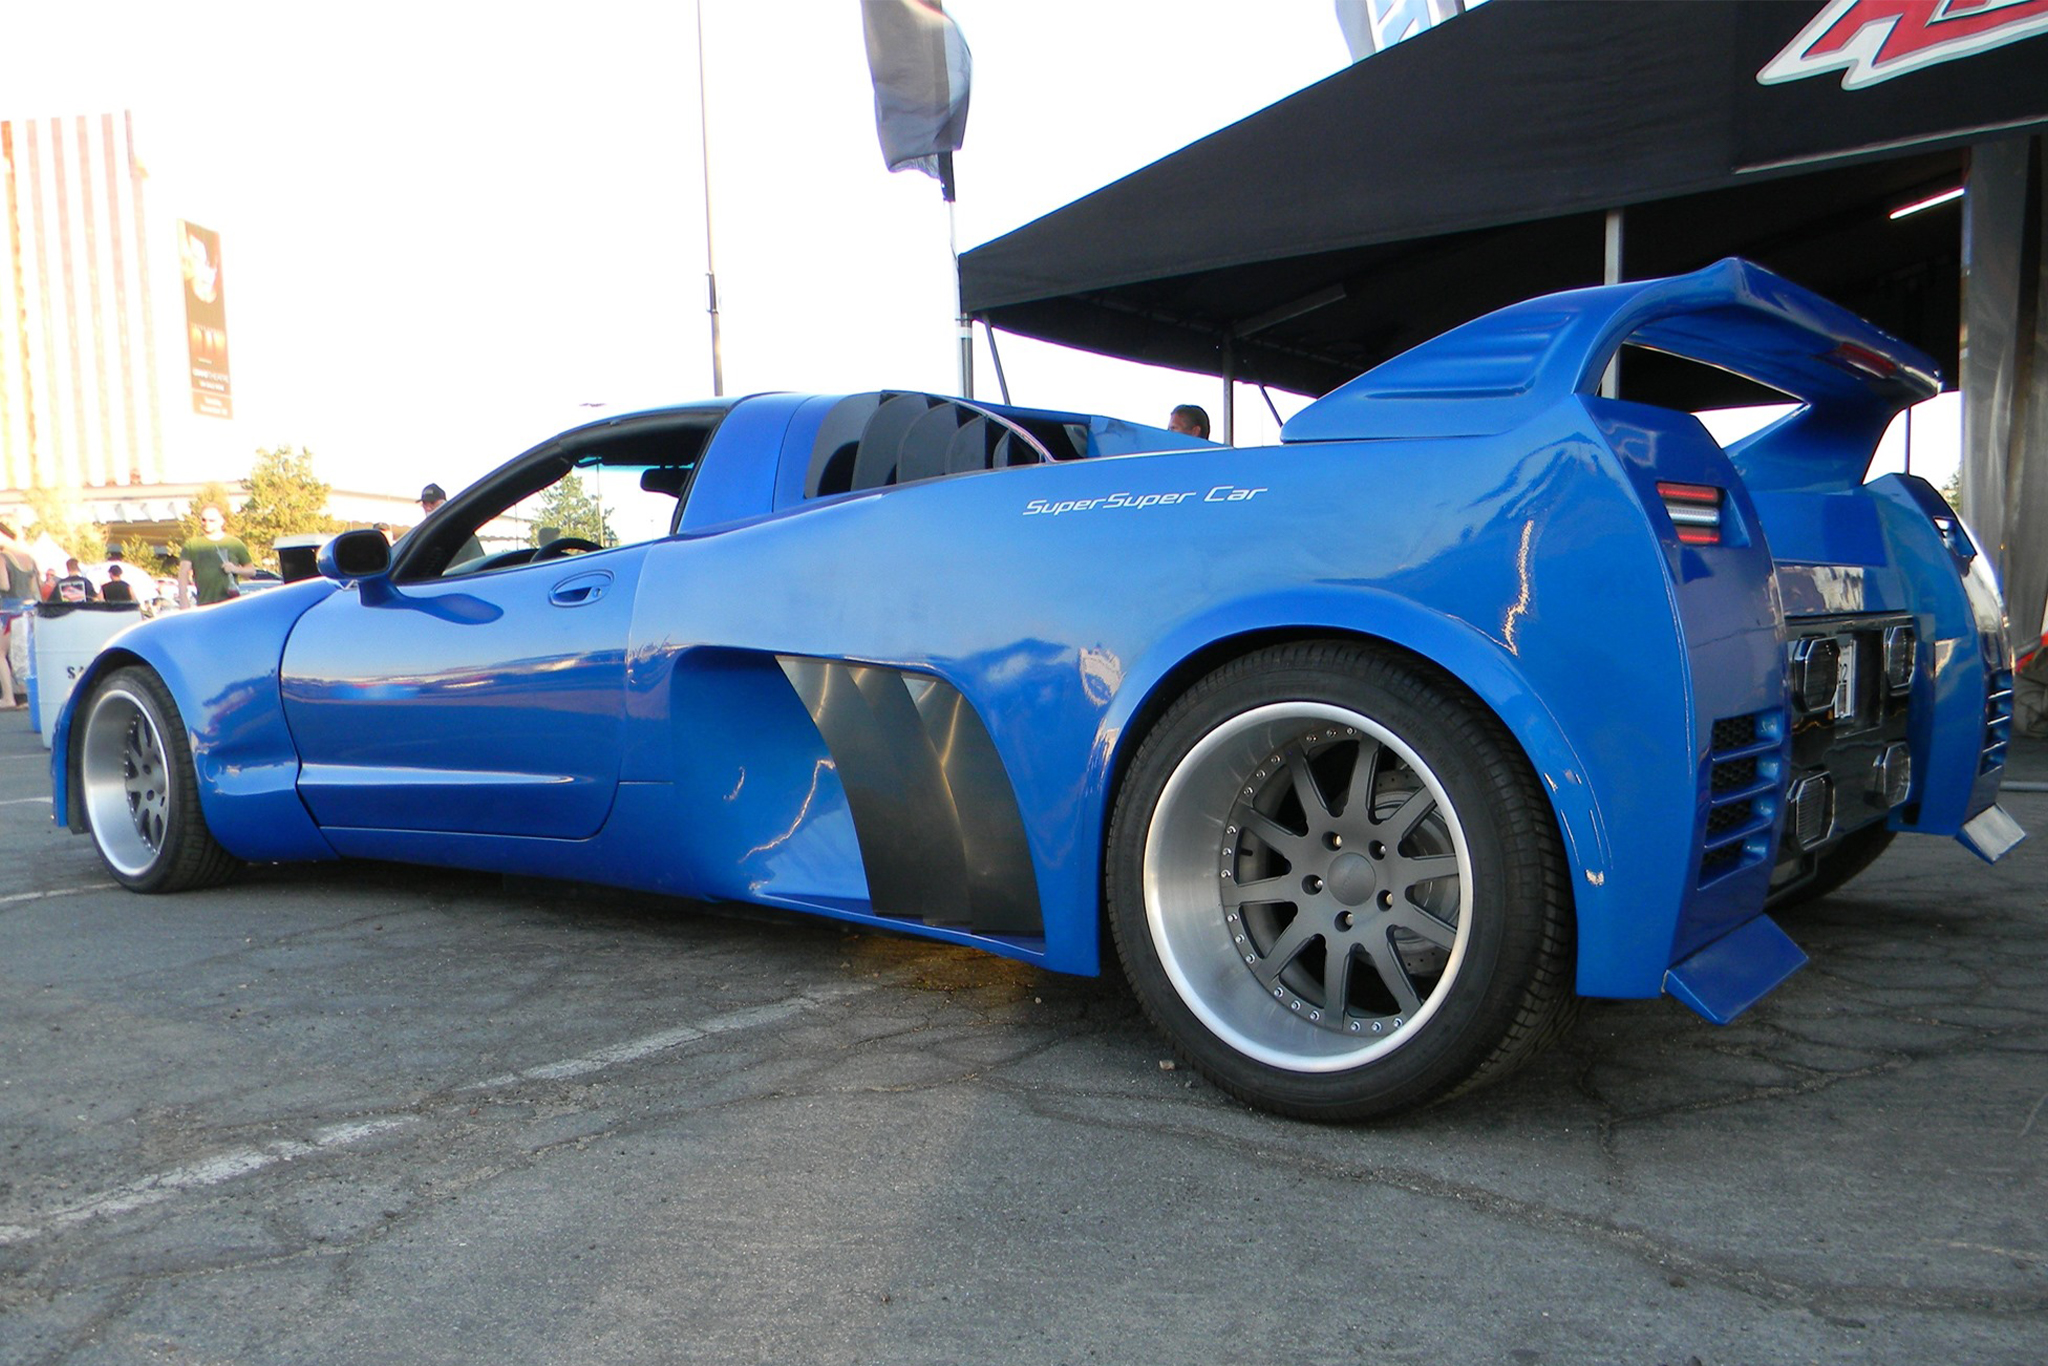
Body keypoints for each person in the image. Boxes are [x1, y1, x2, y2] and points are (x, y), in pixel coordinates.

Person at [178, 505, 256, 607]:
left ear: (221, 521)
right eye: (204, 520)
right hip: (205, 604)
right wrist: (184, 601)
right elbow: (183, 572)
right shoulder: (192, 545)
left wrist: (235, 569)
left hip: (231, 603)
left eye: (212, 520)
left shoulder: (234, 543)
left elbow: (251, 571)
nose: (207, 524)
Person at [421, 482, 486, 567]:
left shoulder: (461, 531)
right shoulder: (424, 535)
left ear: (443, 504)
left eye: (432, 503)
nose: (428, 508)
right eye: (425, 504)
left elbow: (478, 565)